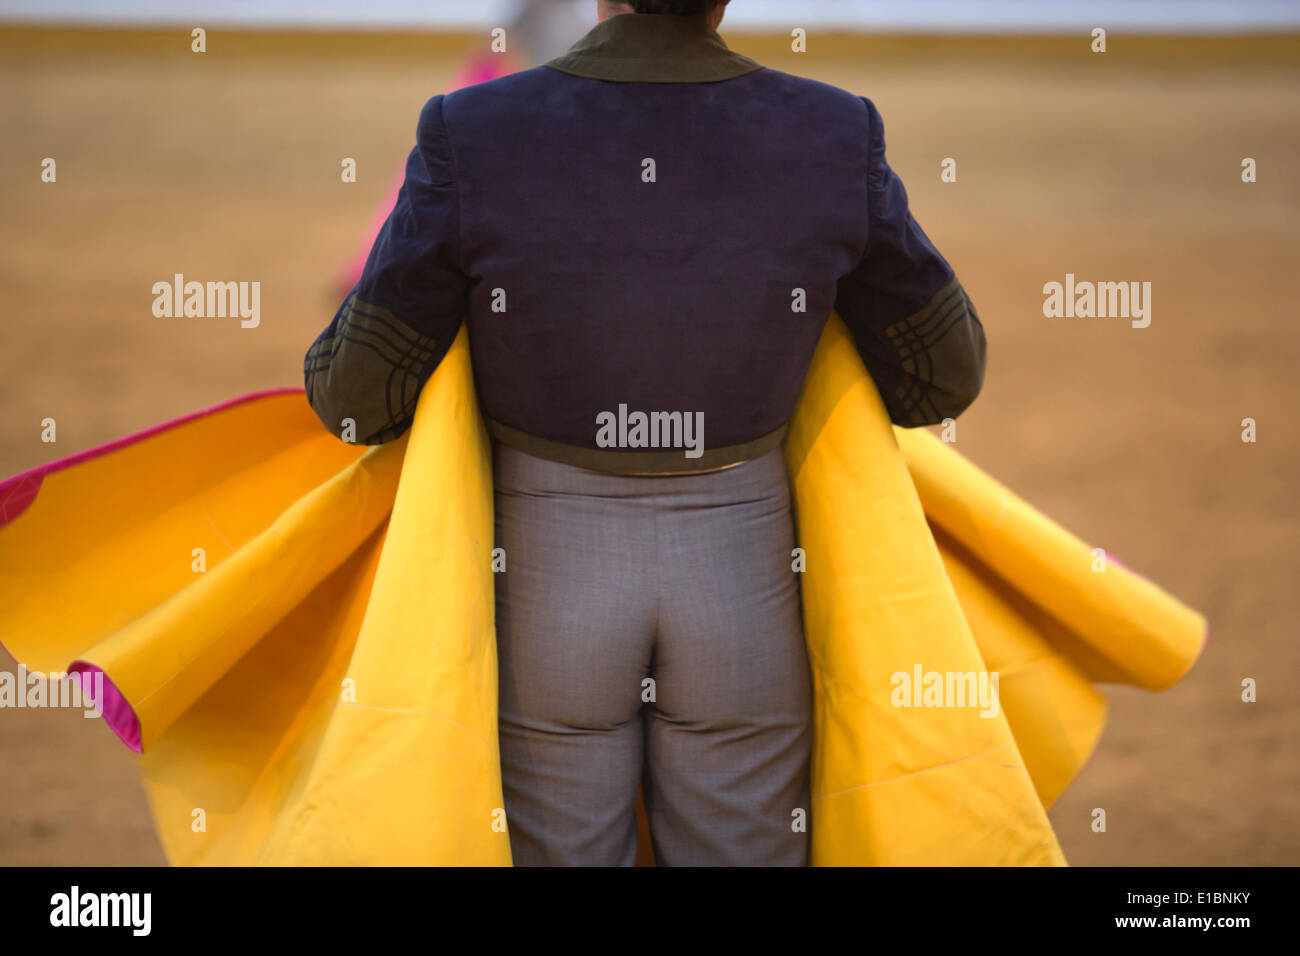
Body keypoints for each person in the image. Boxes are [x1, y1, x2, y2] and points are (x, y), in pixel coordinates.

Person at [303, 0, 987, 866]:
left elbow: (352, 399)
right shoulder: (831, 130)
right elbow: (943, 379)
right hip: (747, 577)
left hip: (545, 581)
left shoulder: (474, 128)